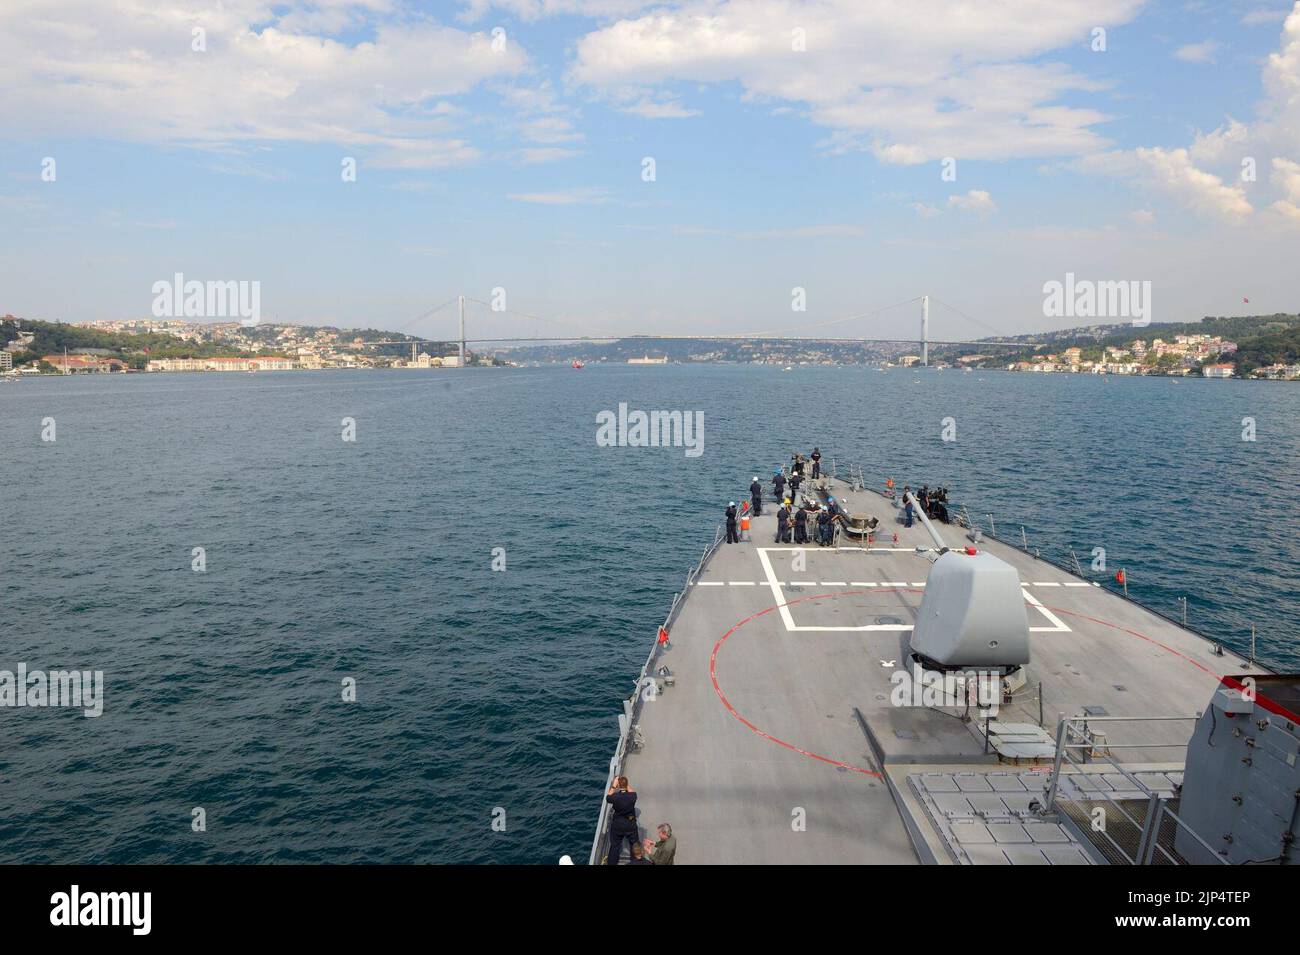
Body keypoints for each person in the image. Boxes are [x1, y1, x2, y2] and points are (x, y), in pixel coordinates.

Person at [605, 776, 639, 865]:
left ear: (619, 785)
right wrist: (625, 784)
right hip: (630, 824)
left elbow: (608, 797)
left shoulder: (615, 797)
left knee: (615, 845)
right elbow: (632, 791)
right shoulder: (633, 796)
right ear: (627, 784)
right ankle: (635, 862)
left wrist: (613, 785)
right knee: (634, 844)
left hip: (618, 824)